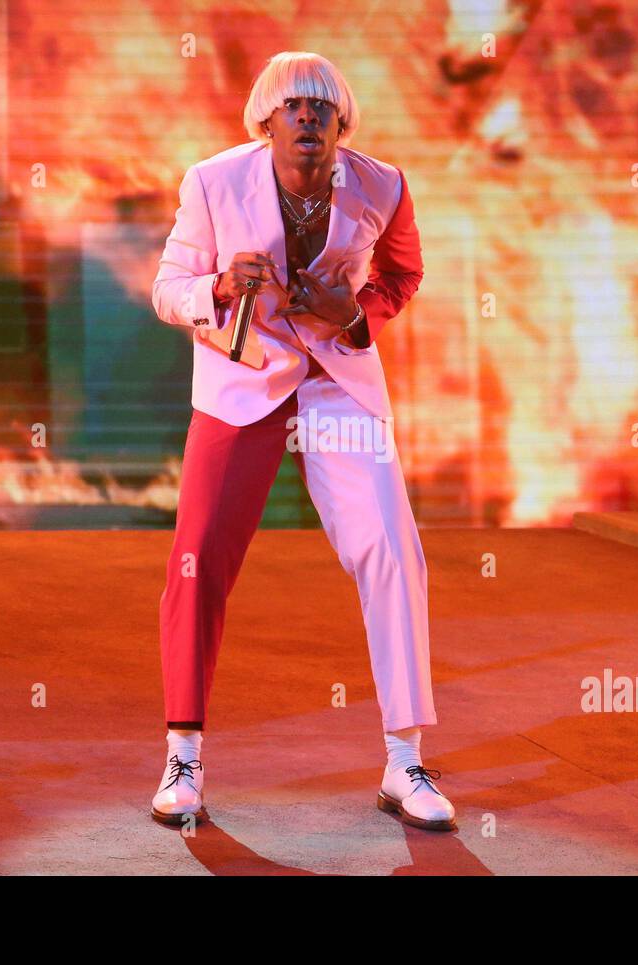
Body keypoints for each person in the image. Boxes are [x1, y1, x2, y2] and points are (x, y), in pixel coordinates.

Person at [149, 50, 454, 832]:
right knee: (199, 557)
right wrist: (219, 287)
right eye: (294, 106)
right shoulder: (214, 182)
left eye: (323, 106)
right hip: (242, 378)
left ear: (343, 123)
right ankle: (184, 757)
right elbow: (167, 290)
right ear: (266, 119)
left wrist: (352, 316)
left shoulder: (383, 184)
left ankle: (405, 758)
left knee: (393, 546)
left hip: (335, 378)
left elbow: (403, 273)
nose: (309, 117)